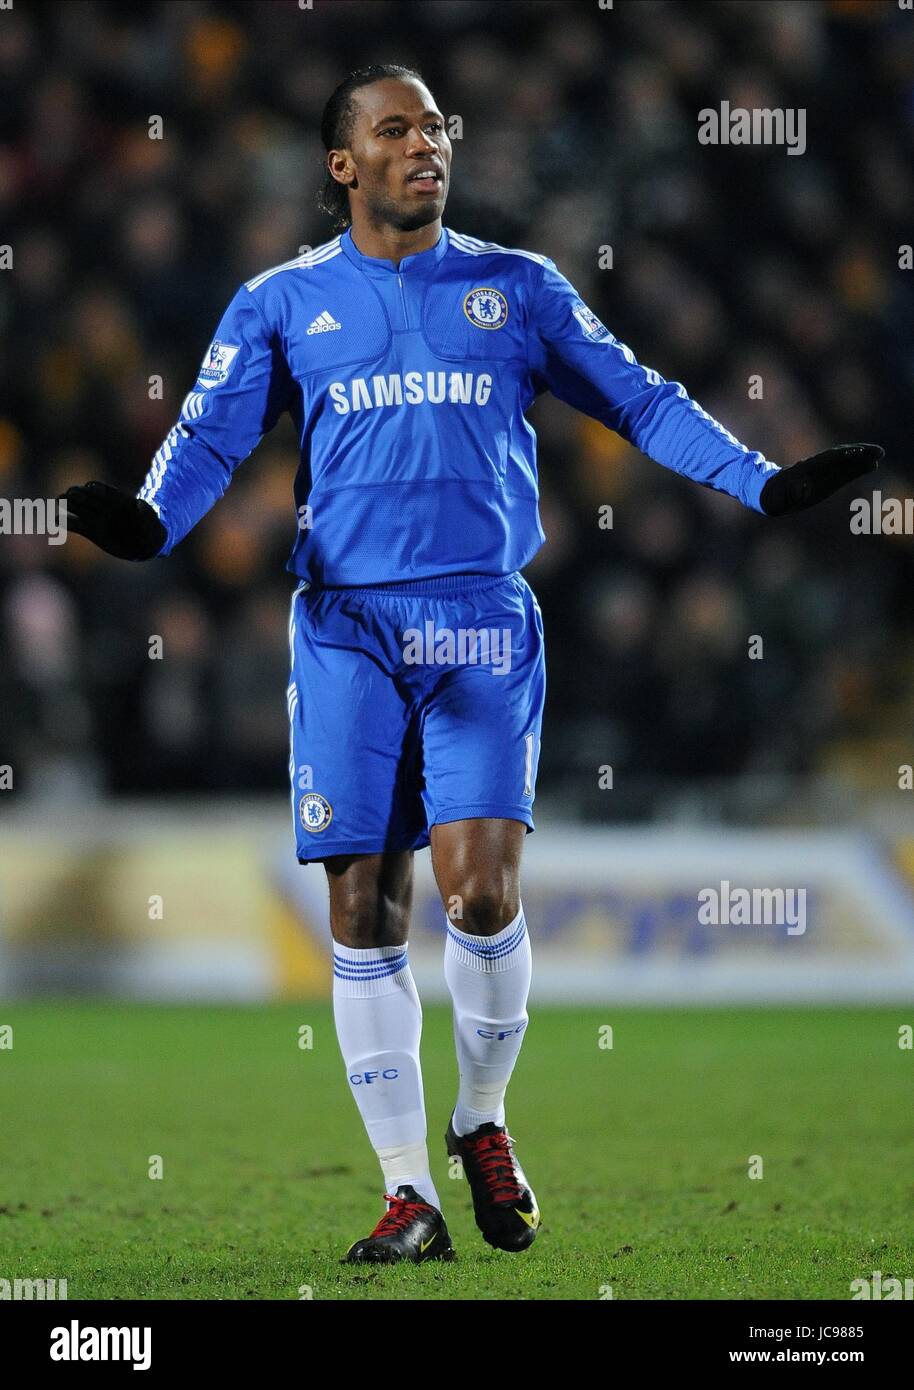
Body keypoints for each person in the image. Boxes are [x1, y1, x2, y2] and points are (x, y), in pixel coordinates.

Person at [61, 63, 882, 1265]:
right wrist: (145, 525)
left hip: (480, 623)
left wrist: (758, 479)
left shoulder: (518, 289)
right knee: (362, 908)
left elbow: (642, 403)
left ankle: (479, 1122)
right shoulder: (282, 303)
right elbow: (205, 442)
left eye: (436, 126)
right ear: (343, 163)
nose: (425, 145)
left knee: (482, 893)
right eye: (394, 129)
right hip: (343, 626)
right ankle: (408, 1197)